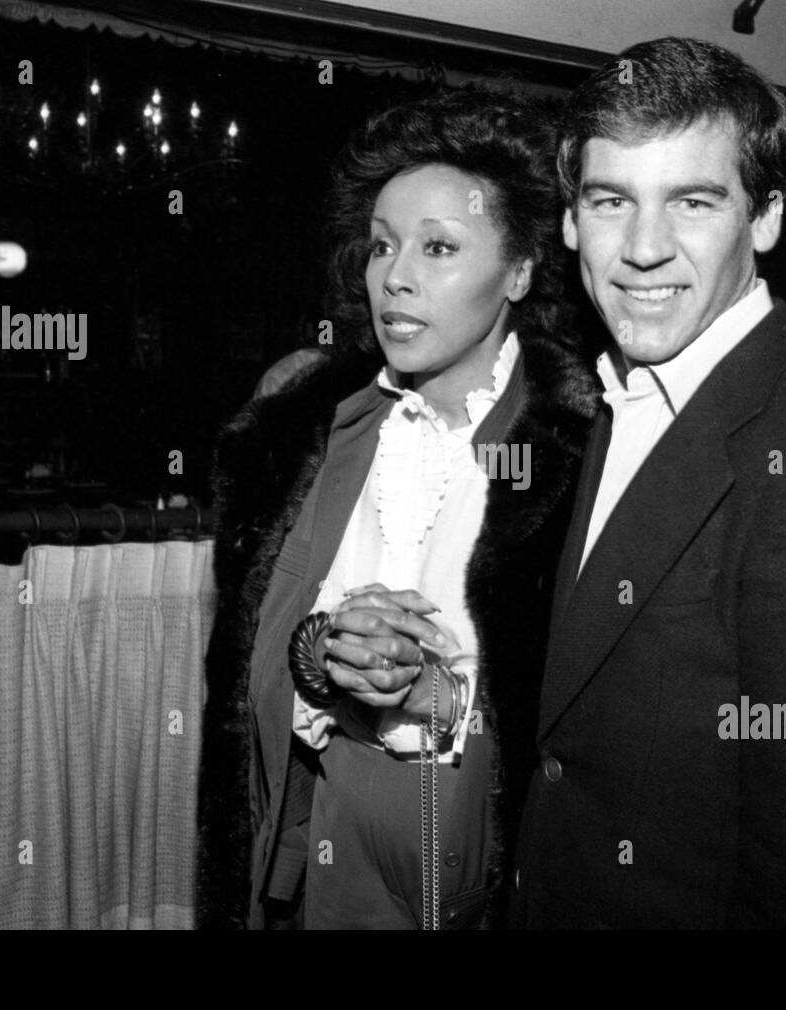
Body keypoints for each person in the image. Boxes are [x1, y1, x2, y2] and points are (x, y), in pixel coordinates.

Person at [510, 37, 786, 928]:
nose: (642, 249)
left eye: (694, 202)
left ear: (767, 218)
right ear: (567, 220)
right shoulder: (624, 395)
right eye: (610, 201)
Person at [196, 87, 598, 929]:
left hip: (485, 881)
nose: (396, 277)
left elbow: (588, 717)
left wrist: (438, 697)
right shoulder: (307, 428)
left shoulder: (583, 450)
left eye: (439, 247)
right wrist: (327, 654)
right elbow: (265, 665)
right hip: (320, 857)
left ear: (520, 270)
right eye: (382, 248)